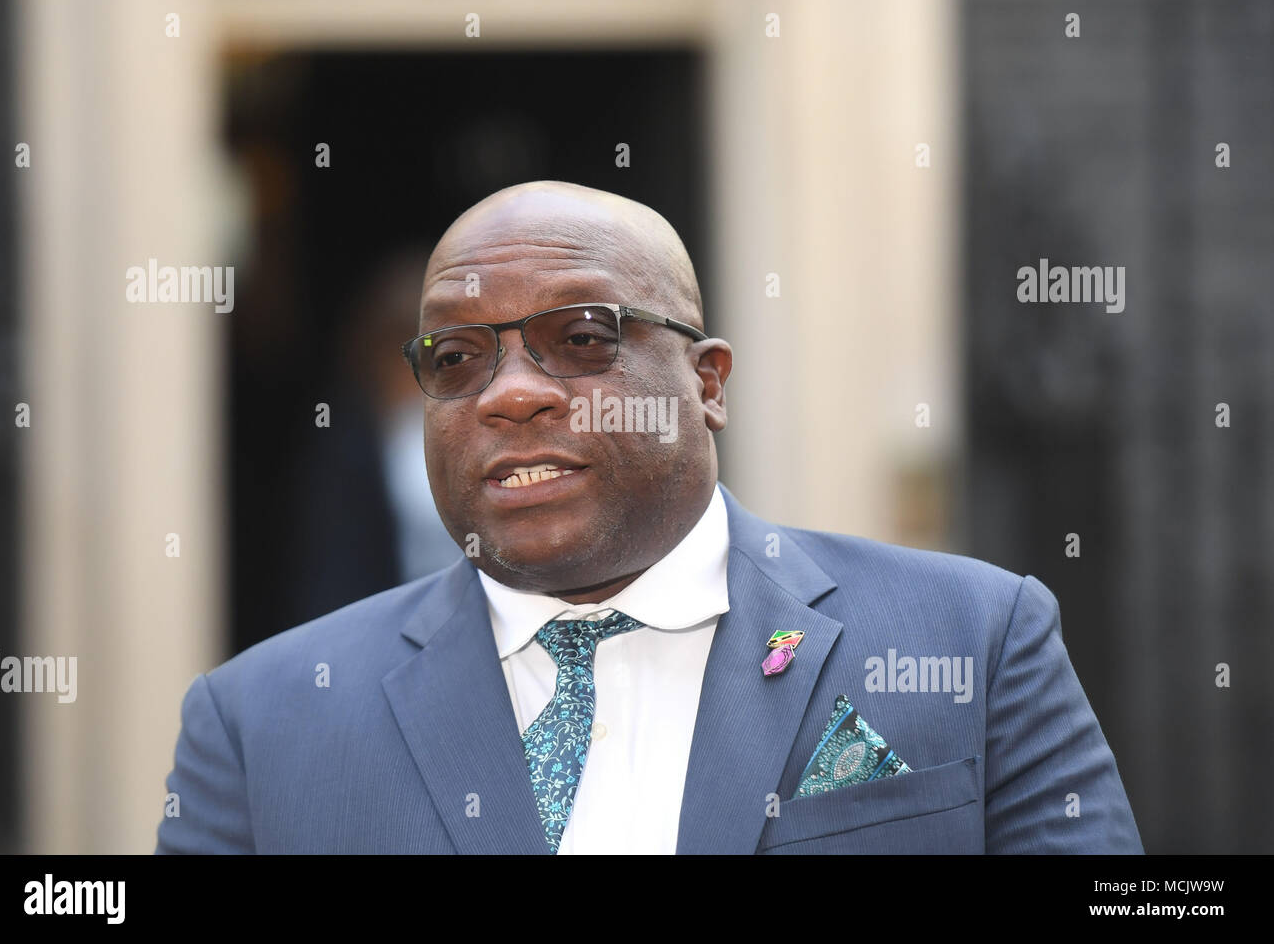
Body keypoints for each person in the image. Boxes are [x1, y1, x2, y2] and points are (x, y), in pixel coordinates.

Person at [156, 180, 1143, 854]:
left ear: (708, 381)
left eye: (582, 338)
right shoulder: (257, 725)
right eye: (455, 359)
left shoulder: (975, 641)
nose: (510, 395)